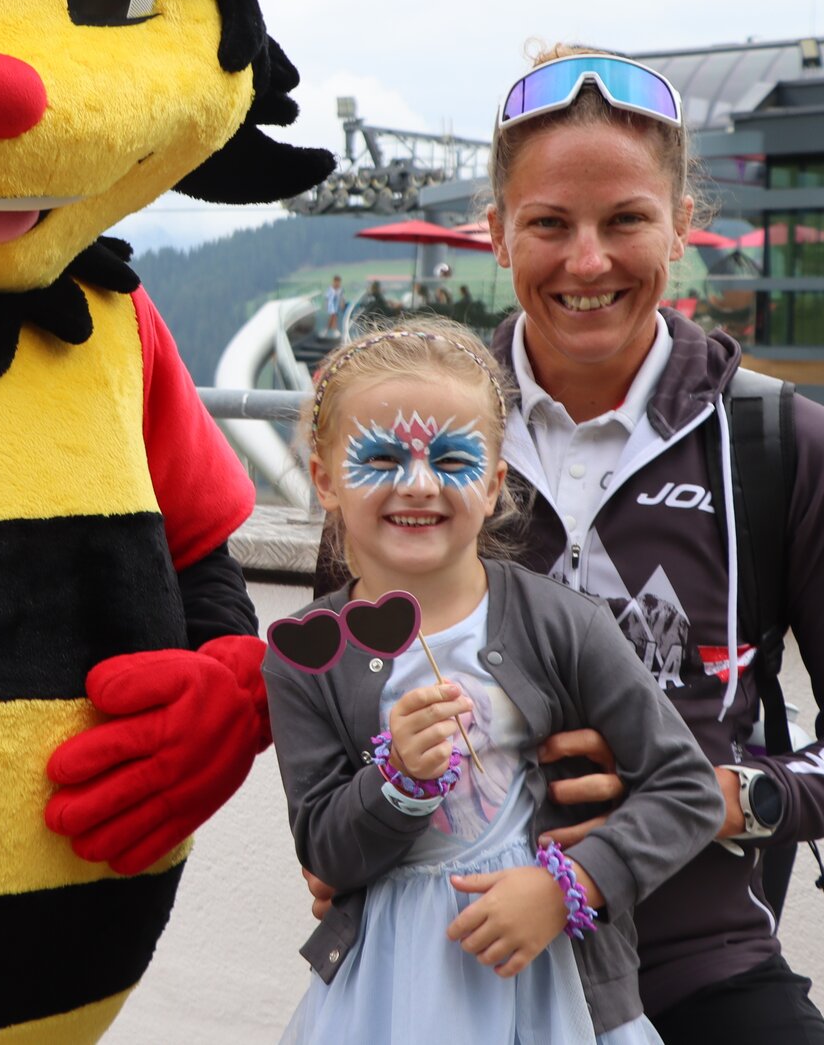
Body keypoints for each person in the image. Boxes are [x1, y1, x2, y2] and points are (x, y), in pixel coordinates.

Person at [305, 48, 824, 1043]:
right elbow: (337, 712)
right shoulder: (413, 444)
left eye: (625, 221)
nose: (587, 261)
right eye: (549, 223)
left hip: (698, 959)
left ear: (681, 224)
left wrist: (719, 797)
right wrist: (350, 820)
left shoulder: (783, 446)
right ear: (496, 233)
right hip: (448, 967)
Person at [268, 323, 721, 1044]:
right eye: (380, 458)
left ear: (492, 483)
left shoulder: (566, 625)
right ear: (325, 480)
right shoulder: (307, 654)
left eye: (452, 458)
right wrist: (398, 782)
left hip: (550, 981)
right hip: (382, 991)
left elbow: (688, 790)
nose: (419, 483)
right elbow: (325, 852)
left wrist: (569, 885)